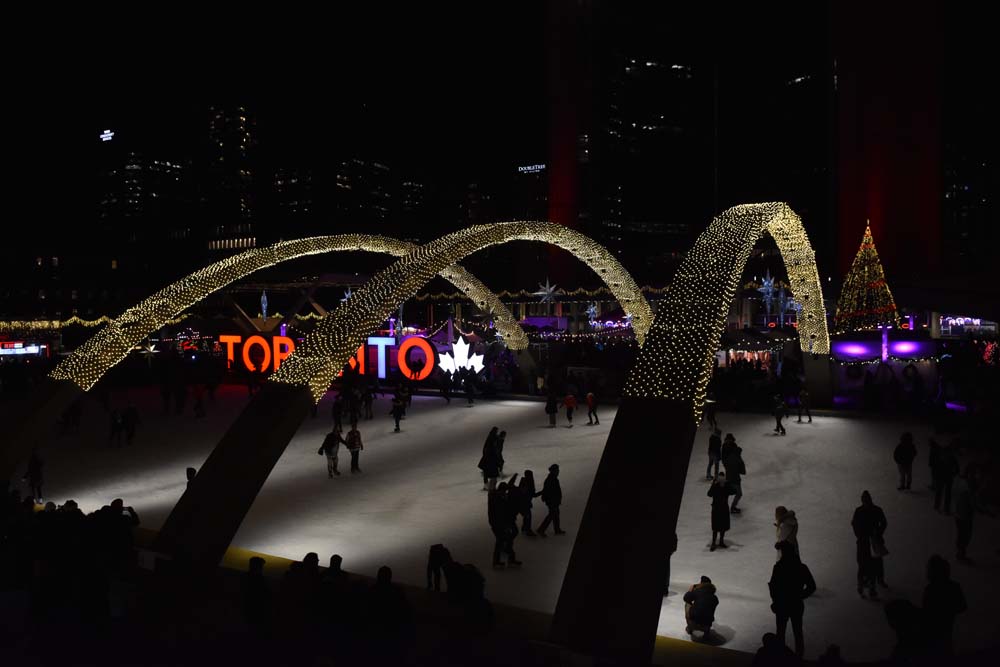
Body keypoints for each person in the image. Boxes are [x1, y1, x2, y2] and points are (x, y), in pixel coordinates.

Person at [768, 541, 816, 658]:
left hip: (782, 605)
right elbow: (812, 586)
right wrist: (800, 596)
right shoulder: (801, 567)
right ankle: (799, 658)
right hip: (796, 605)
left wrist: (775, 601)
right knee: (798, 633)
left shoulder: (779, 567)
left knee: (780, 633)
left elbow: (773, 587)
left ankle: (780, 658)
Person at [922, 555, 967, 657]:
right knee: (946, 643)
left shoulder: (930, 590)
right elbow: (962, 606)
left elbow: (926, 611)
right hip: (948, 622)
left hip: (933, 625)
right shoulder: (954, 586)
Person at [851, 490, 887, 598]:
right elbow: (884, 523)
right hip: (869, 541)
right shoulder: (875, 510)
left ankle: (866, 585)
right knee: (871, 564)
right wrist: (878, 533)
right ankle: (870, 585)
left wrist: (859, 535)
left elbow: (854, 524)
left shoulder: (860, 511)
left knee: (866, 564)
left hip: (867, 542)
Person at [488, 479, 521, 568]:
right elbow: (500, 513)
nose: (506, 493)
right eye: (505, 491)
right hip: (499, 523)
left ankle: (503, 559)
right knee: (502, 541)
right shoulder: (497, 499)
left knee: (503, 540)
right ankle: (504, 559)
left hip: (499, 523)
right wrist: (505, 525)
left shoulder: (496, 496)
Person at [536, 464, 565, 536]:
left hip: (554, 501)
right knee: (552, 515)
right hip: (552, 501)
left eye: (558, 470)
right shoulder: (551, 479)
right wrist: (553, 501)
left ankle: (557, 529)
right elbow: (548, 491)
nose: (558, 472)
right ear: (554, 471)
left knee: (555, 514)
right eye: (557, 470)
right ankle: (541, 529)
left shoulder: (553, 478)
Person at [953, 469, 975, 562]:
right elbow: (971, 503)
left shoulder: (958, 483)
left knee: (961, 535)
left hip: (958, 514)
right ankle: (961, 554)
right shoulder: (967, 490)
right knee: (965, 536)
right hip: (964, 516)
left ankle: (960, 553)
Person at [708, 472, 733, 551]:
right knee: (715, 527)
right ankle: (713, 543)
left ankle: (721, 541)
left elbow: (733, 491)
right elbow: (709, 494)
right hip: (717, 509)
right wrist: (713, 484)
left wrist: (728, 484)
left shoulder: (726, 486)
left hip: (723, 508)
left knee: (723, 526)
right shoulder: (715, 486)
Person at [721, 435, 745, 514]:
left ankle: (729, 507)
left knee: (729, 491)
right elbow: (739, 464)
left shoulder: (731, 451)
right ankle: (732, 507)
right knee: (738, 493)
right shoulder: (734, 456)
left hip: (731, 473)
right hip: (733, 476)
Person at [932, 442, 959, 514]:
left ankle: (943, 507)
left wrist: (954, 473)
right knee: (942, 492)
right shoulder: (943, 459)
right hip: (944, 478)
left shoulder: (949, 459)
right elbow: (935, 469)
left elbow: (956, 468)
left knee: (945, 493)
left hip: (947, 478)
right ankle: (940, 506)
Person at [517, 470, 537, 536]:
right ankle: (527, 530)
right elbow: (530, 494)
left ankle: (525, 528)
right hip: (524, 503)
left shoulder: (525, 481)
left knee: (527, 516)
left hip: (525, 503)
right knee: (528, 516)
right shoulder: (528, 482)